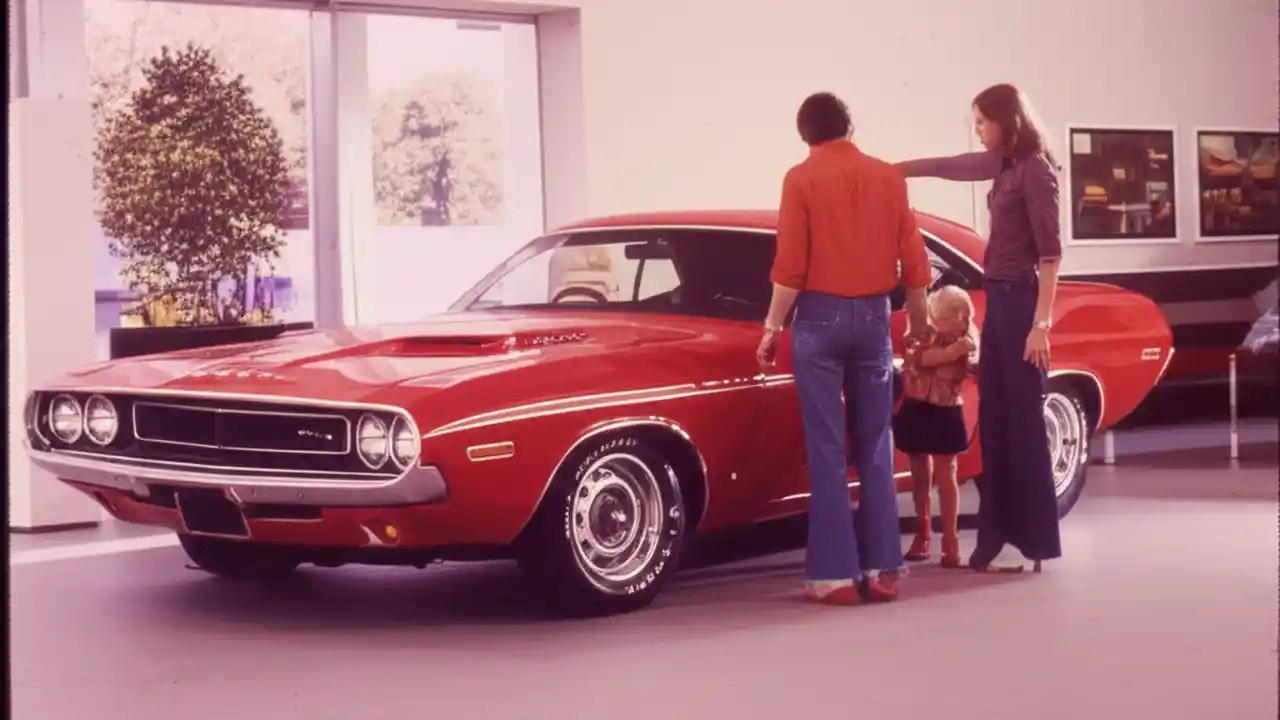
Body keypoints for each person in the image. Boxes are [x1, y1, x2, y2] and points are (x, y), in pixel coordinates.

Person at [757, 92, 931, 605]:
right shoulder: (888, 178)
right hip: (875, 317)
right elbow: (915, 264)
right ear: (850, 128)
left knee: (827, 446)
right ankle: (882, 570)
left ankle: (834, 577)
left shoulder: (800, 179)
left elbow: (790, 266)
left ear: (804, 133)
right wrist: (917, 330)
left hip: (819, 317)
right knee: (876, 443)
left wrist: (771, 327)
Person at [895, 83, 1064, 573]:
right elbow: (955, 165)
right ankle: (995, 534)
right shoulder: (1005, 163)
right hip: (1001, 299)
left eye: (983, 122)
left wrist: (1041, 326)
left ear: (1007, 120)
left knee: (1023, 422)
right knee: (994, 419)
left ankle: (1033, 537)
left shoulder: (1036, 170)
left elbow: (1051, 256)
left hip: (1022, 304)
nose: (978, 130)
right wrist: (902, 169)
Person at [896, 286, 979, 569]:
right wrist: (953, 351)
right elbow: (923, 359)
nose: (964, 320)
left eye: (966, 315)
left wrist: (968, 353)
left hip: (946, 408)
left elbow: (973, 365)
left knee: (948, 475)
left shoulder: (968, 338)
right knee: (920, 473)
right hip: (919, 405)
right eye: (956, 316)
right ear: (938, 316)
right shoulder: (924, 334)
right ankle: (923, 531)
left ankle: (951, 539)